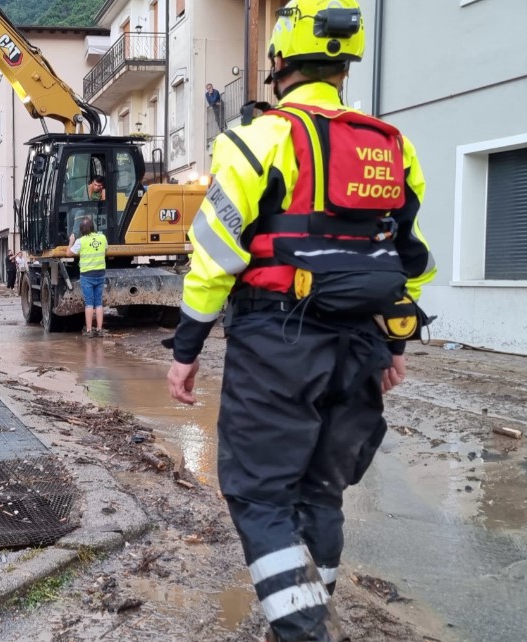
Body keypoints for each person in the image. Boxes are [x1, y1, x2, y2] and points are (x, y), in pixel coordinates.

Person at [165, 2, 436, 640]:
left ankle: (300, 629)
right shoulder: (392, 148)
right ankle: (305, 613)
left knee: (260, 496)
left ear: (279, 62)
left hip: (278, 342)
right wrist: (395, 344)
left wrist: (186, 349)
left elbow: (213, 261)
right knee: (321, 492)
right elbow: (412, 259)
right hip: (362, 343)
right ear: (346, 65)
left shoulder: (255, 140)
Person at [66, 216, 108, 337]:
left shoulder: (81, 241)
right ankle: (99, 329)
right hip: (100, 273)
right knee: (98, 303)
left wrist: (71, 242)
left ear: (81, 230)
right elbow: (105, 251)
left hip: (87, 275)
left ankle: (89, 330)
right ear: (93, 227)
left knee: (89, 303)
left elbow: (68, 253)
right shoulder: (102, 237)